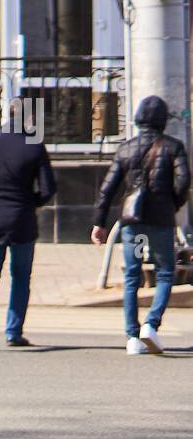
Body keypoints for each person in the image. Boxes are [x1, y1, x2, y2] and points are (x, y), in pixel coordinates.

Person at [91, 95, 190, 354]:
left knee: (132, 275)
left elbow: (107, 189)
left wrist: (99, 223)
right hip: (160, 223)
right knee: (166, 272)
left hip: (132, 224)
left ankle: (132, 338)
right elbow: (183, 181)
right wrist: (173, 204)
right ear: (162, 121)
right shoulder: (174, 147)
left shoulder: (125, 149)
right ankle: (151, 324)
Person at [0, 122, 57, 347]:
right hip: (22, 221)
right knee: (21, 276)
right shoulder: (35, 146)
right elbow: (48, 189)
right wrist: (30, 203)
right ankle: (13, 332)